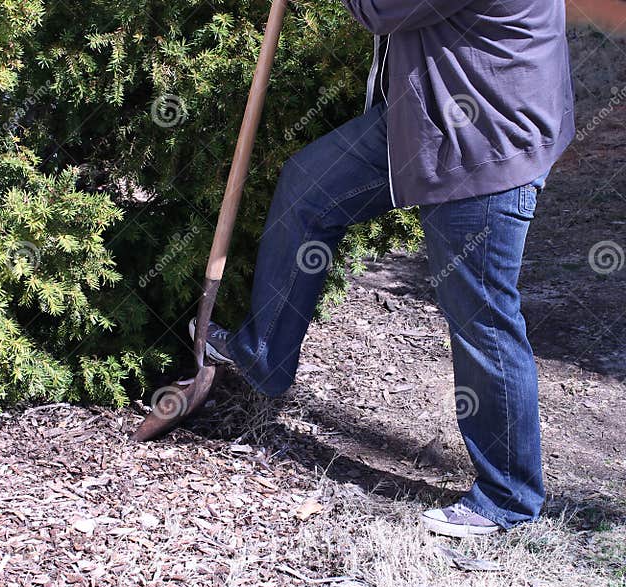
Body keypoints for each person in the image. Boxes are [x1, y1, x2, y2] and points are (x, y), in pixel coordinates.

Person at [190, 1, 575, 537]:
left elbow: (378, 8)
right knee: (311, 188)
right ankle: (264, 356)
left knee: (481, 318)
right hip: (427, 115)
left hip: (484, 143)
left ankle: (508, 497)